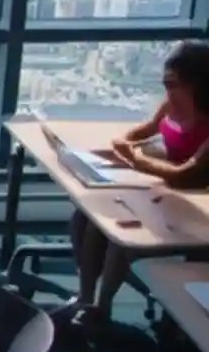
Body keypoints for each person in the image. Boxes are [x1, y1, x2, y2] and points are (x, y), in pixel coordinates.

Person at [65, 40, 209, 329]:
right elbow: (135, 137)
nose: (167, 93)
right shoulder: (170, 106)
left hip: (195, 207)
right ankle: (85, 296)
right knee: (88, 219)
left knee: (119, 240)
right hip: (165, 194)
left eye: (173, 84)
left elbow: (185, 174)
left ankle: (100, 309)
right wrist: (130, 151)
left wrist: (136, 158)